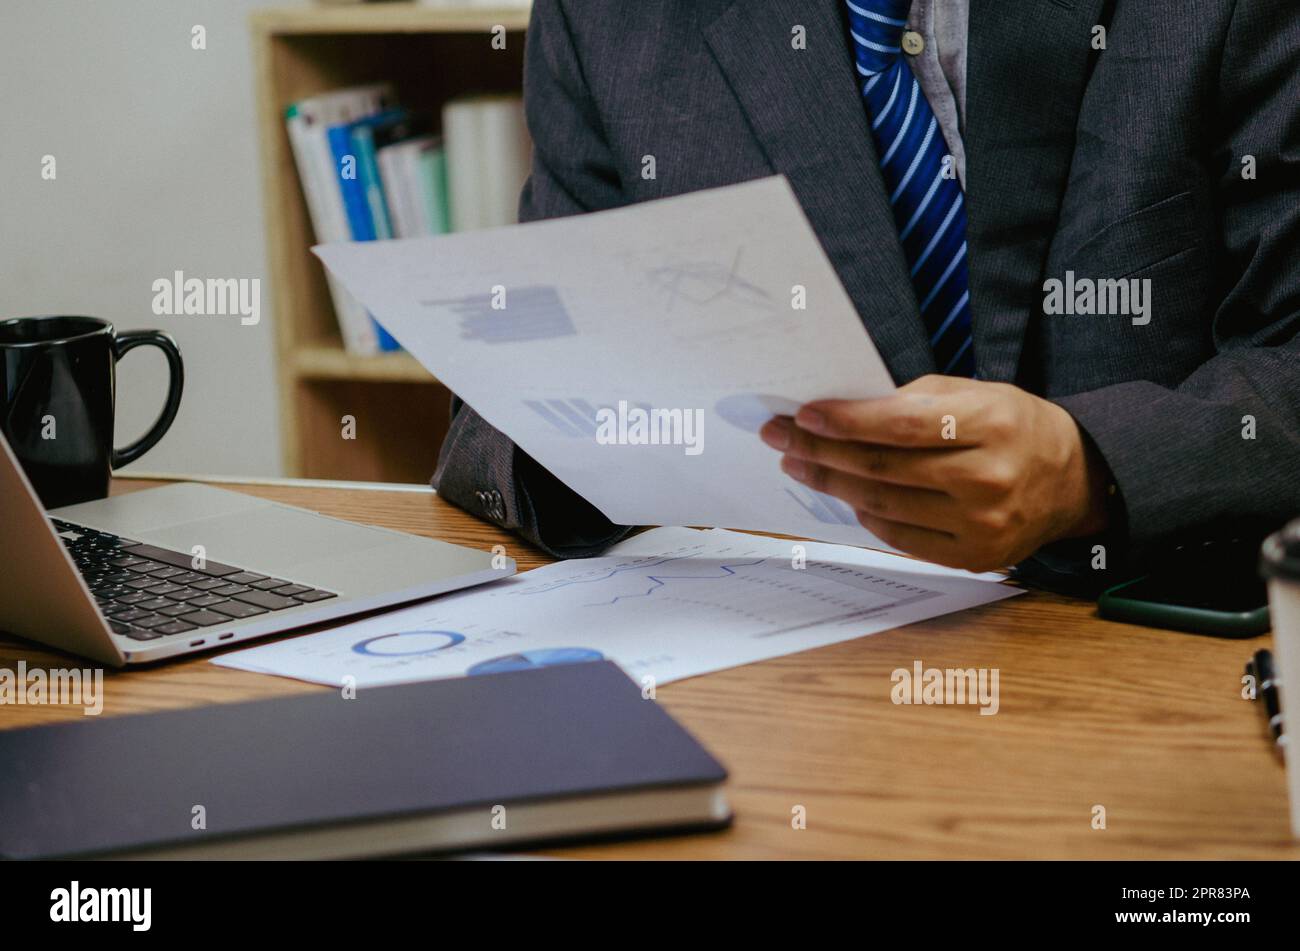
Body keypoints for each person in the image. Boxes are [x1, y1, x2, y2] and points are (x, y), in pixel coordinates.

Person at [433, 0, 1300, 587]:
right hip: (787, 673)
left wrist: (1094, 473)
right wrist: (599, 448)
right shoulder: (609, 21)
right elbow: (525, 382)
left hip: (1157, 648)